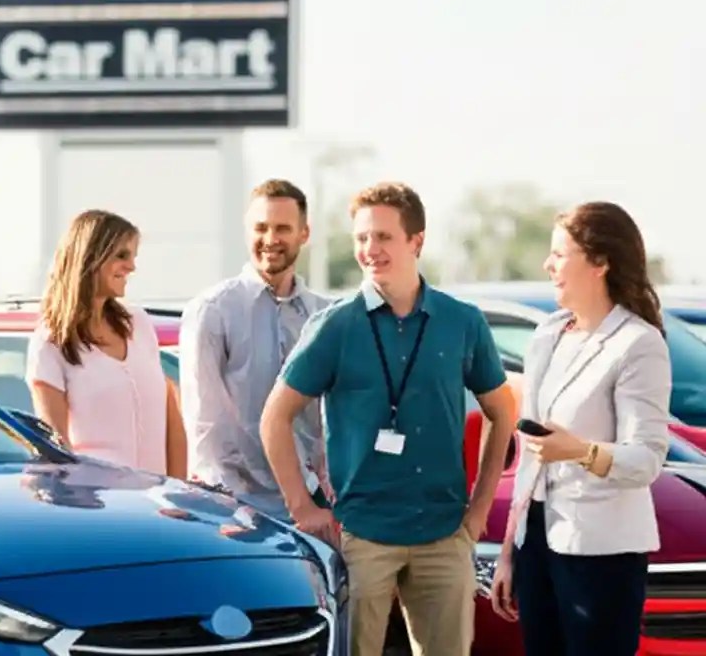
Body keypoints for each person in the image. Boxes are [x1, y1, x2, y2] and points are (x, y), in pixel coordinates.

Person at [258, 181, 518, 656]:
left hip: (444, 533)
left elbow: (503, 412)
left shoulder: (462, 322)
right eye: (361, 239)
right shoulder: (335, 325)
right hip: (362, 535)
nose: (369, 250)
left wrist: (479, 509)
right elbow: (275, 418)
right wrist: (303, 509)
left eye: (382, 237)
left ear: (416, 241)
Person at [489, 201, 670, 656]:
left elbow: (646, 458)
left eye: (559, 254)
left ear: (600, 263)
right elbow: (531, 454)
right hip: (538, 544)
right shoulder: (548, 333)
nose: (547, 265)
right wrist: (510, 552)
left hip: (602, 555)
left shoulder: (638, 343)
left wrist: (579, 451)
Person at [179, 178, 332, 520]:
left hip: (314, 505)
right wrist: (226, 505)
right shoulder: (212, 310)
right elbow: (205, 423)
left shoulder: (325, 316)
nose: (270, 239)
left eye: (282, 228)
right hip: (236, 508)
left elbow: (332, 417)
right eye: (260, 227)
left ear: (304, 234)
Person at [25, 209, 188, 478]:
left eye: (133, 257)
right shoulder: (50, 343)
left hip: (158, 506)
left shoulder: (138, 324)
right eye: (121, 256)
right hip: (101, 507)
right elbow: (55, 449)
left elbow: (171, 418)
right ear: (90, 258)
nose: (132, 267)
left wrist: (180, 493)